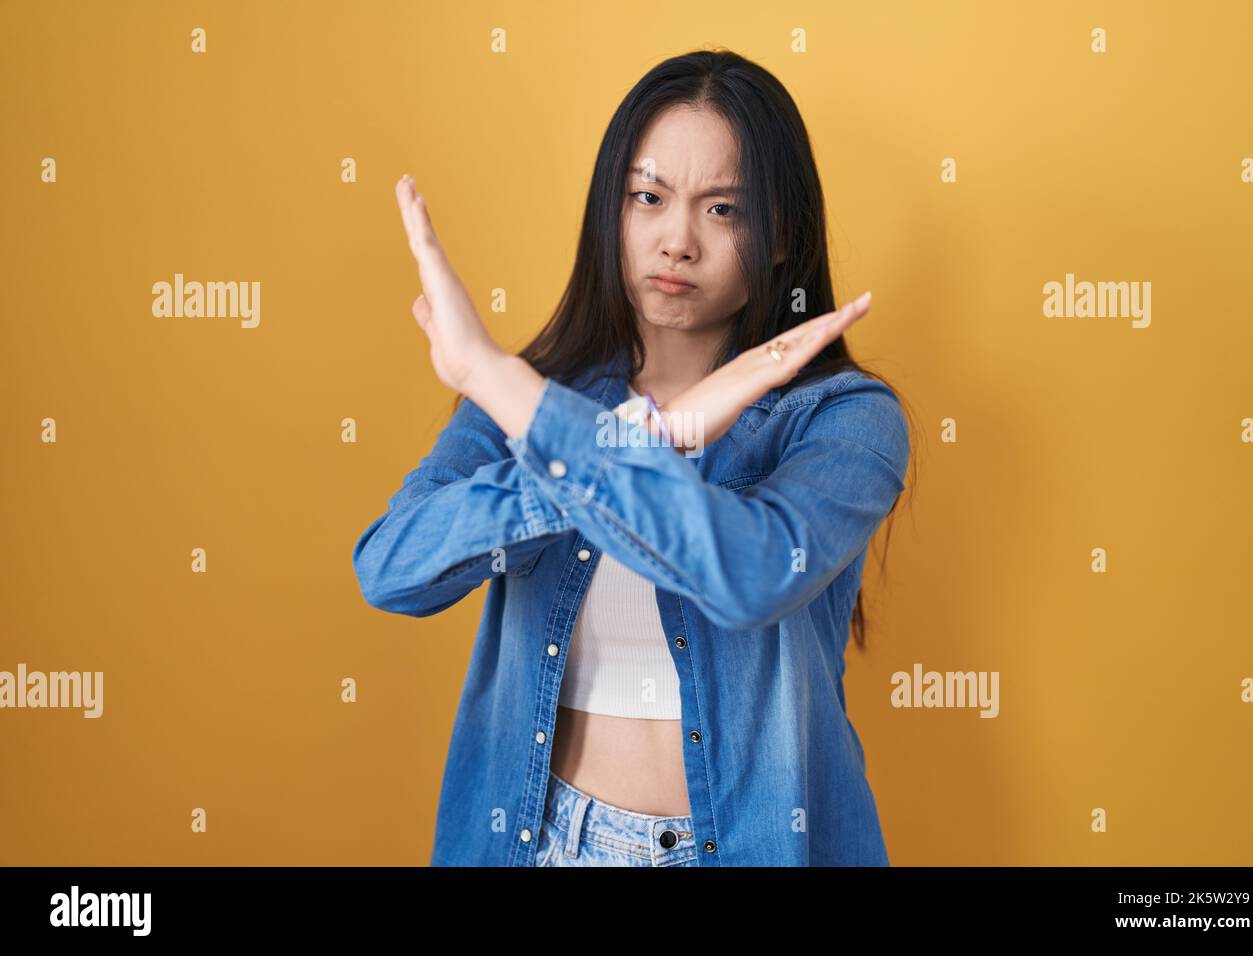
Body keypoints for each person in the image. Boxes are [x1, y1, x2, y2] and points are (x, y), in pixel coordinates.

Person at [353, 49, 914, 867]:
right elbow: (392, 567)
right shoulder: (534, 397)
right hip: (540, 843)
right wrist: (645, 435)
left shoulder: (845, 418)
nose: (677, 241)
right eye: (648, 198)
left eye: (724, 210)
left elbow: (752, 577)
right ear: (610, 212)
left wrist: (523, 403)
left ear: (783, 236)